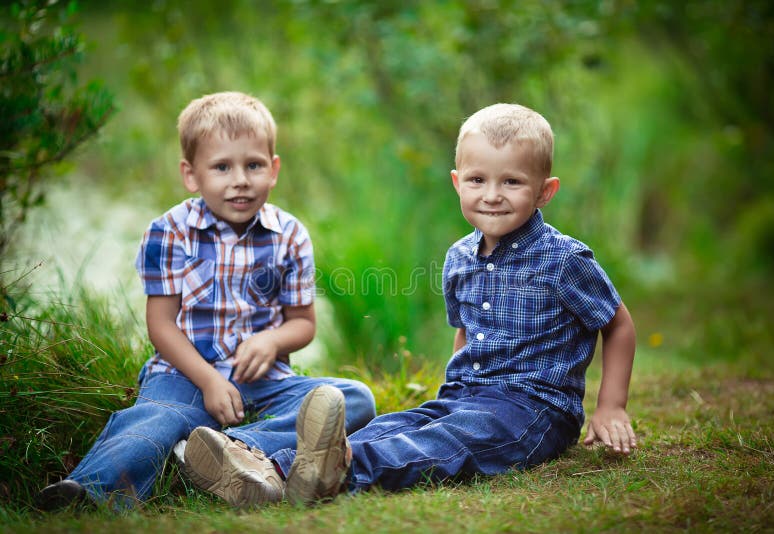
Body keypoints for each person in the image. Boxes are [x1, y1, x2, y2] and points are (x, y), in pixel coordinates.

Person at [182, 102, 637, 505]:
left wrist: (610, 406)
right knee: (397, 424)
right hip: (464, 395)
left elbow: (617, 325)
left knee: (449, 440)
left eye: (512, 182)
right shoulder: (461, 257)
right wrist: (452, 389)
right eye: (478, 180)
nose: (492, 195)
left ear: (544, 191)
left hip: (532, 410)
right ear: (458, 182)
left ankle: (338, 469)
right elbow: (466, 335)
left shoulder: (564, 260)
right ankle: (269, 469)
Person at [37, 91, 376, 510]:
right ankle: (90, 493)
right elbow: (161, 324)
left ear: (273, 170)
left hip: (264, 383)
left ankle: (234, 452)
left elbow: (303, 323)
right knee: (153, 421)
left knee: (355, 398)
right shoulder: (170, 232)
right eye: (221, 167)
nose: (240, 179)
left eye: (253, 165)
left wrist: (272, 342)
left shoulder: (289, 234)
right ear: (191, 175)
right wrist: (209, 380)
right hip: (182, 376)